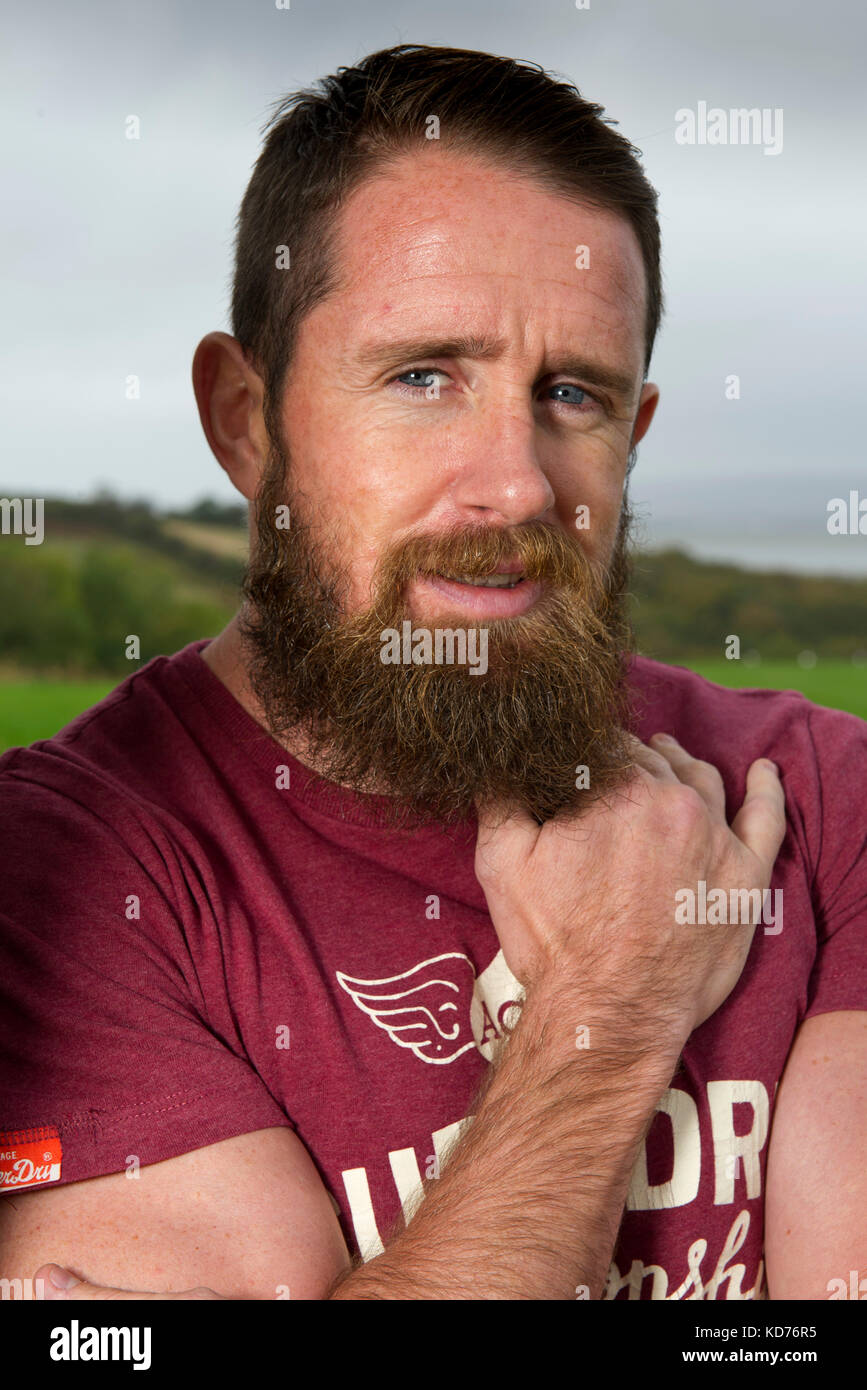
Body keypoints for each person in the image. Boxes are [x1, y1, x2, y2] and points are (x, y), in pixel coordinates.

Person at [0, 45, 864, 1303]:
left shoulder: (817, 794)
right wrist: (606, 1016)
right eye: (423, 377)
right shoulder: (67, 878)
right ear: (248, 420)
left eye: (573, 394)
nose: (517, 482)